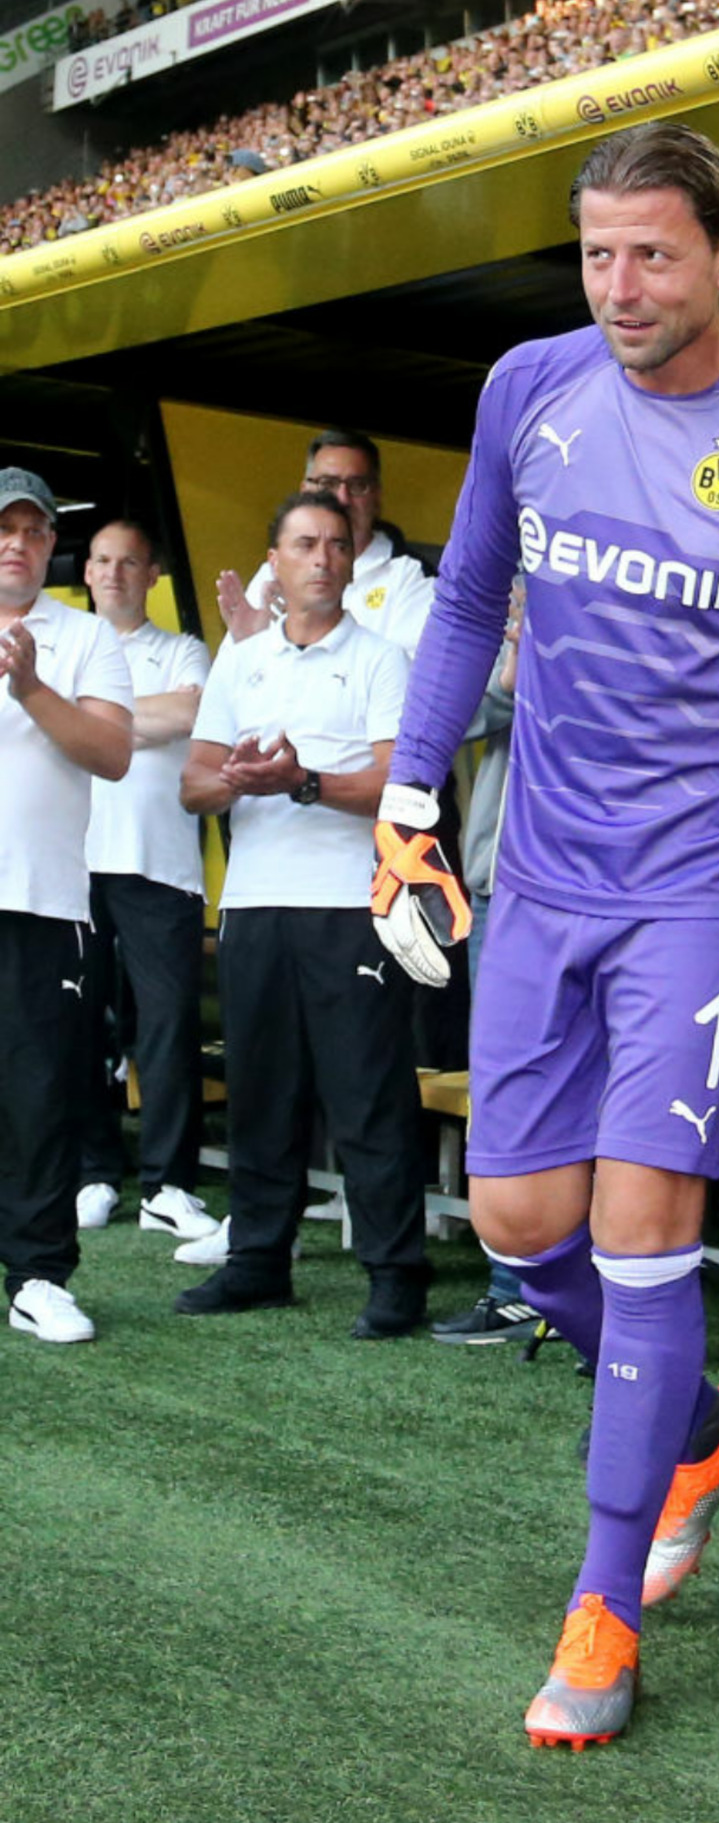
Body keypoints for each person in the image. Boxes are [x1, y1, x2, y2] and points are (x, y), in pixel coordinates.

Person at [373, 122, 719, 1746]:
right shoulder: (527, 389)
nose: (620, 285)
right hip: (542, 879)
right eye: (598, 251)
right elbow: (469, 599)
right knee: (522, 1225)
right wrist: (408, 801)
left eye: (655, 253)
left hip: (710, 898)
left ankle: (602, 1613)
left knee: (642, 1228)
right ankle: (696, 1427)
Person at [178, 491, 429, 1338]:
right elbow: (193, 782)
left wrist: (303, 782)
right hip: (253, 905)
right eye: (304, 544)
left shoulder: (382, 658)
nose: (322, 558)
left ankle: (395, 1275)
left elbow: (401, 785)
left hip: (350, 905)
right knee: (259, 1091)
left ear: (352, 561)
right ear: (274, 563)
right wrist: (240, 778)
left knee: (368, 1096)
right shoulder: (241, 659)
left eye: (336, 544)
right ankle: (258, 1261)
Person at [0, 467, 133, 1344]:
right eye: (3, 528)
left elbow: (113, 752)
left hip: (43, 904)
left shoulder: (85, 637)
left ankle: (38, 1276)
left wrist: (31, 690)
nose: (16, 543)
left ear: (53, 544)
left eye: (33, 530)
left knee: (39, 1099)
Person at [76, 520, 219, 1243]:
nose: (114, 573)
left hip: (160, 864)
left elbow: (191, 711)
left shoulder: (182, 650)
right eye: (102, 560)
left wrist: (90, 717)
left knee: (167, 1028)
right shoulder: (66, 644)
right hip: (71, 861)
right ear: (87, 571)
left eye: (129, 562)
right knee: (77, 1023)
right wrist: (137, 718)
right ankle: (94, 1173)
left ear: (152, 573)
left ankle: (168, 1186)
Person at [430, 580, 540, 1346]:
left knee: (597, 1089)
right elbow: (448, 715)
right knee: (505, 1088)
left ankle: (595, 1287)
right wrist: (513, 664)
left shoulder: (625, 590)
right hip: (503, 889)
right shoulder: (510, 594)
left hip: (604, 888)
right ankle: (512, 1285)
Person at [216, 428, 436, 660]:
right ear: (305, 492)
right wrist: (251, 643)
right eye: (328, 483)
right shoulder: (275, 570)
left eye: (357, 485)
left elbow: (408, 677)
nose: (342, 498)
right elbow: (226, 676)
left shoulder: (411, 576)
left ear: (376, 495)